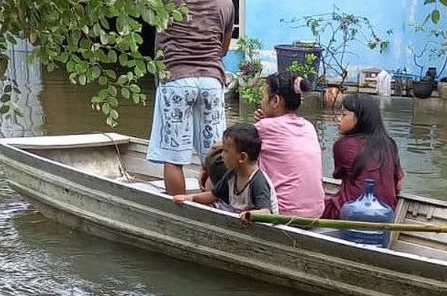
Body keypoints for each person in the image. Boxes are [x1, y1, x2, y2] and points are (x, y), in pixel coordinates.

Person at [146, 0, 235, 196]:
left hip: (176, 79)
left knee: (174, 157)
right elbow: (224, 47)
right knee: (216, 156)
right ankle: (214, 208)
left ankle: (179, 210)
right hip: (212, 81)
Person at [253, 72, 325, 218]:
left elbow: (232, 144)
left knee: (232, 157)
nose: (261, 102)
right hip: (316, 211)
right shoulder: (308, 126)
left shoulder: (265, 127)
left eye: (263, 97)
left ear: (275, 101)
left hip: (284, 212)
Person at [322, 95, 404, 219]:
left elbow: (339, 174)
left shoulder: (343, 145)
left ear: (360, 119)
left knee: (315, 205)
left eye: (344, 115)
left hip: (352, 213)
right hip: (386, 214)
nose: (338, 119)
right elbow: (398, 185)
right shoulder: (389, 143)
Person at [173, 123, 278, 217]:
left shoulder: (258, 181)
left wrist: (250, 215)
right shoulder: (232, 175)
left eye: (225, 151)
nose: (222, 156)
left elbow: (266, 212)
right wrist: (191, 198)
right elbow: (213, 195)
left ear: (242, 157)